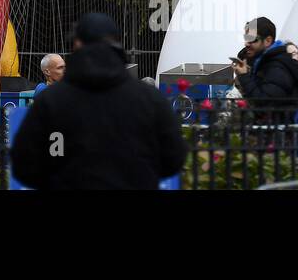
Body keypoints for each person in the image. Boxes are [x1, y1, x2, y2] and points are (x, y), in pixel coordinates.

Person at [10, 13, 186, 189]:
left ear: (77, 44)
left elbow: (23, 163)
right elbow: (173, 157)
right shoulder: (149, 99)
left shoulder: (51, 100)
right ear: (117, 43)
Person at [232, 17, 298, 118]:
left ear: (268, 40)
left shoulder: (277, 66)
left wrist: (245, 77)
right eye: (246, 38)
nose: (246, 44)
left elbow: (265, 104)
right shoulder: (264, 62)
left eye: (252, 39)